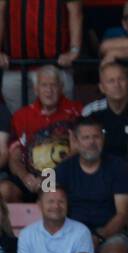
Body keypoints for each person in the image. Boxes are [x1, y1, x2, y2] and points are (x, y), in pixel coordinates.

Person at [82, 61, 128, 206]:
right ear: (102, 87)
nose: (117, 85)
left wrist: (120, 173)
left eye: (121, 79)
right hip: (100, 171)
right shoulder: (91, 112)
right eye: (111, 81)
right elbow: (84, 150)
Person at [8, 66, 82, 200]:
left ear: (61, 88)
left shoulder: (76, 111)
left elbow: (78, 150)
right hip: (32, 180)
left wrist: (47, 178)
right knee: (6, 191)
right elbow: (14, 157)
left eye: (53, 85)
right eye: (44, 85)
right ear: (36, 89)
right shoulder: (21, 116)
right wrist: (25, 177)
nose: (49, 91)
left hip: (64, 178)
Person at [18, 185, 93, 253]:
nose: (56, 206)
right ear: (39, 205)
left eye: (61, 201)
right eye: (50, 201)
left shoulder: (81, 232)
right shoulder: (27, 234)